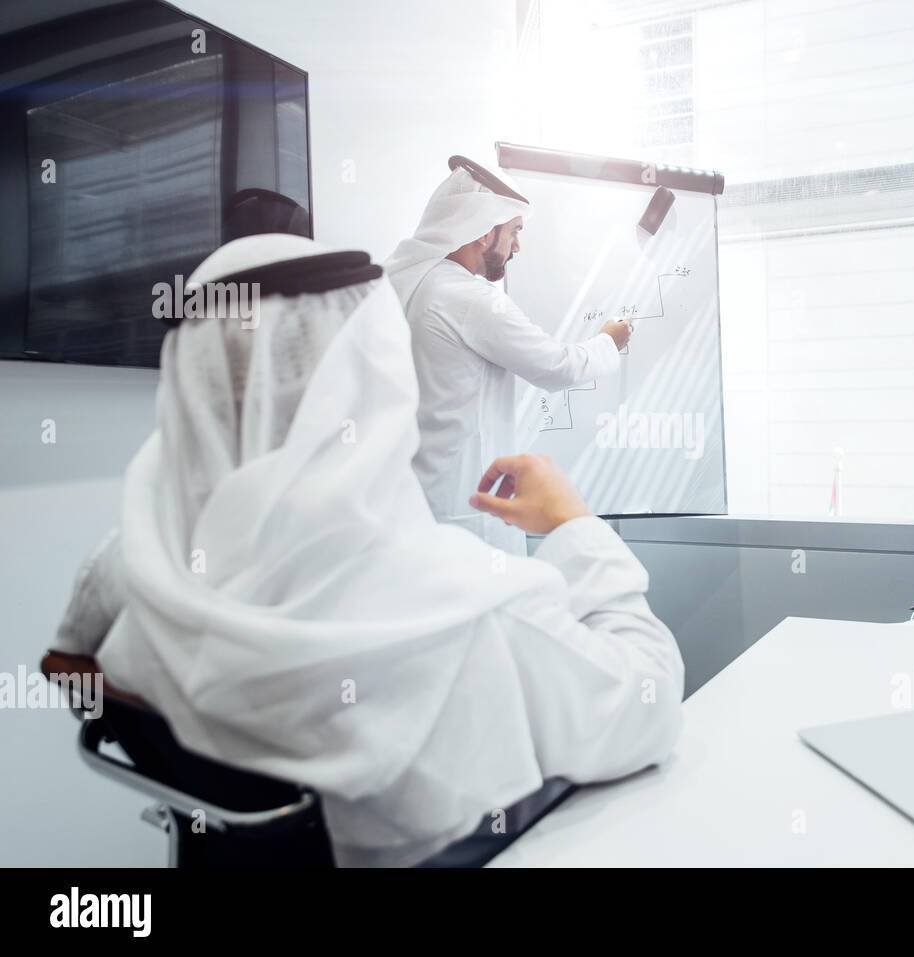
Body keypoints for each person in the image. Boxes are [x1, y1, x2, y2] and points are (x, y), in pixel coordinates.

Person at [52, 234, 684, 867]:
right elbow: (649, 698)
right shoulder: (466, 620)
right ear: (376, 371)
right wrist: (573, 523)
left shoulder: (126, 567)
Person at [385, 156, 633, 554]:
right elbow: (557, 367)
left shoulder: (398, 284)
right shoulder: (467, 297)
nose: (517, 245)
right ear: (483, 232)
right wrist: (609, 341)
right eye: (514, 231)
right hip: (468, 519)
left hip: (407, 512)